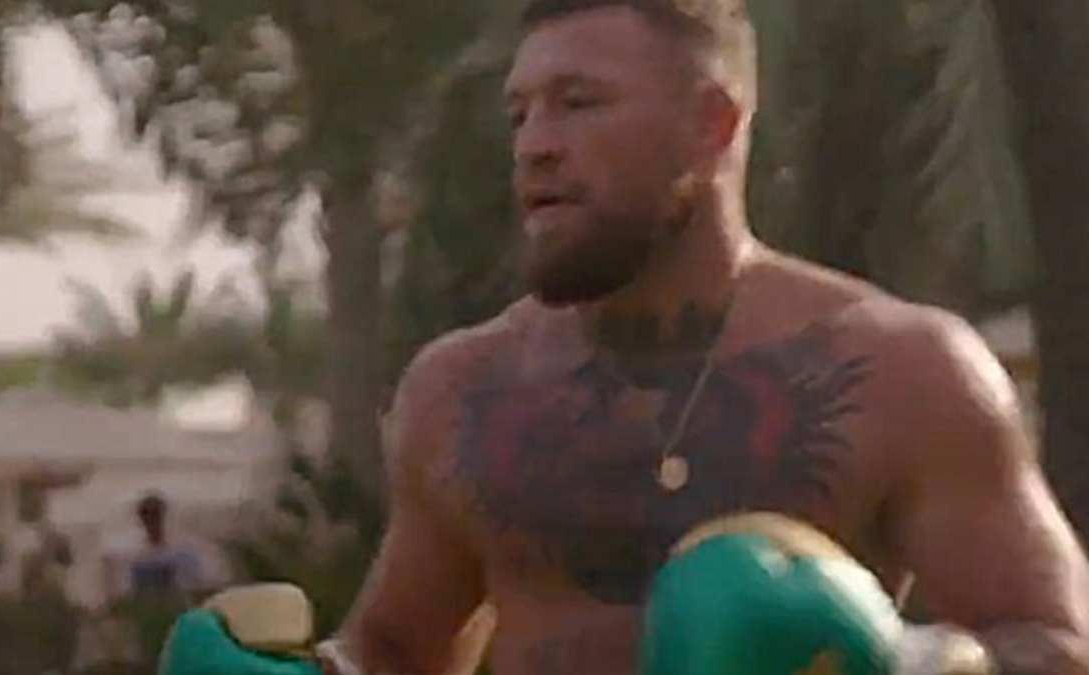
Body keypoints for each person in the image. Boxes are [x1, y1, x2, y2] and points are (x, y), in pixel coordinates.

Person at [312, 1, 1089, 674]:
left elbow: (1063, 644)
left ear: (710, 125)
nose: (534, 144)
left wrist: (896, 659)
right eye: (520, 114)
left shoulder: (901, 370)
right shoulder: (460, 387)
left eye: (578, 103)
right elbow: (391, 649)